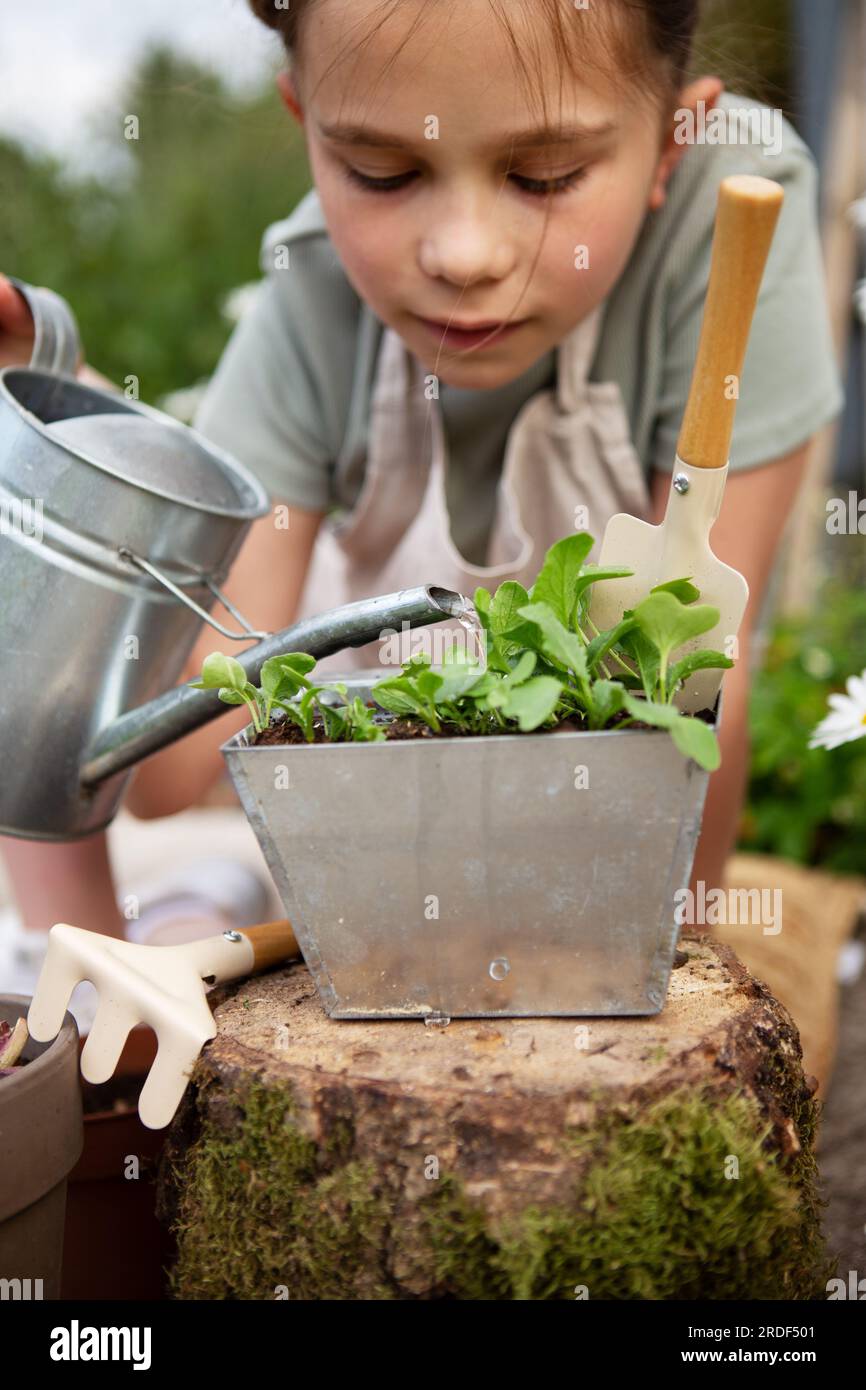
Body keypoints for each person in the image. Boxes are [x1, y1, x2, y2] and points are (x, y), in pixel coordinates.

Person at [0, 0, 843, 982]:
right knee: (196, 892)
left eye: (543, 176)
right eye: (380, 172)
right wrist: (80, 479)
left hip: (632, 867)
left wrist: (663, 978)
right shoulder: (313, 294)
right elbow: (173, 767)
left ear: (671, 141)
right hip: (399, 871)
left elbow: (698, 686)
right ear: (303, 121)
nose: (464, 255)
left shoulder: (736, 217)